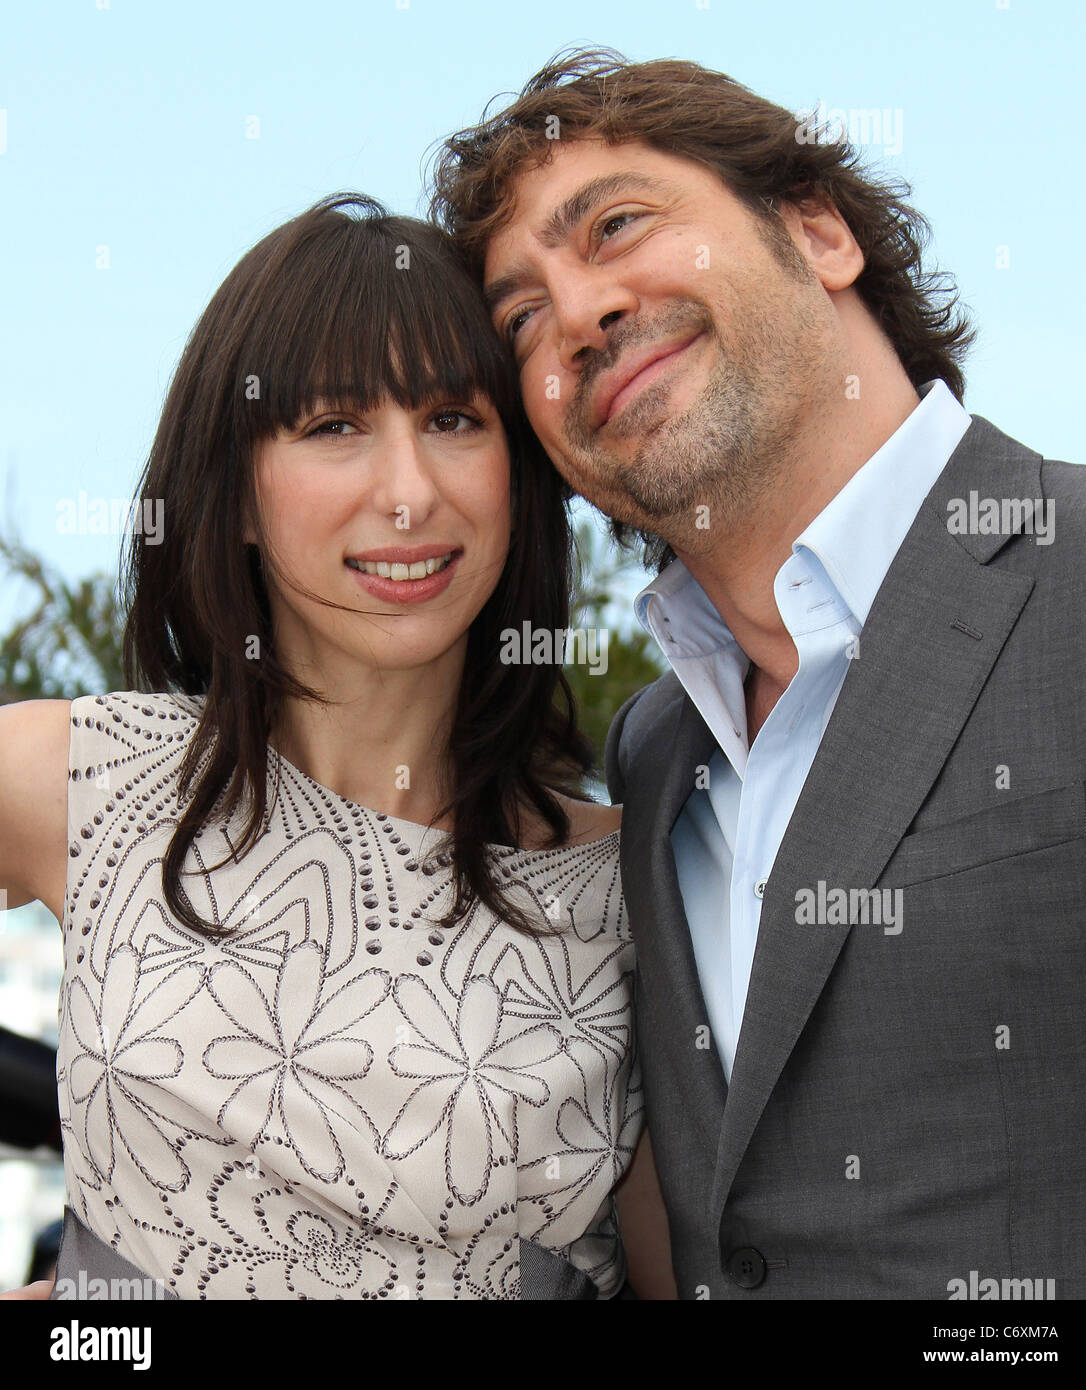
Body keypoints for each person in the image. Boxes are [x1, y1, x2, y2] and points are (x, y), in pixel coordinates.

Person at [428, 48, 1086, 1298]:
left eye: (619, 225)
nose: (576, 317)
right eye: (521, 317)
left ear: (818, 229)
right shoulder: (647, 757)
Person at [0, 192, 676, 1300]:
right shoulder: (81, 777)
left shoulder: (630, 884)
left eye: (455, 420)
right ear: (240, 494)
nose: (408, 493)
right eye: (333, 426)